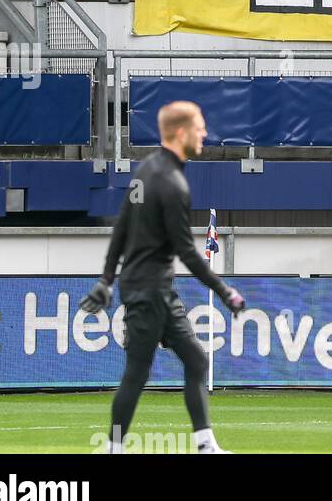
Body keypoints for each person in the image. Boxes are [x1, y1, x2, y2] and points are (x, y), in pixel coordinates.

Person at [79, 100, 246, 454]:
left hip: (154, 288)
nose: (204, 134)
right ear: (182, 132)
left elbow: (122, 227)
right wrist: (224, 289)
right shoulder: (172, 184)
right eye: (200, 127)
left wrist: (106, 280)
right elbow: (187, 251)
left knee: (197, 361)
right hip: (149, 291)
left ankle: (205, 445)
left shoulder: (145, 170)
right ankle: (112, 448)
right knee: (137, 373)